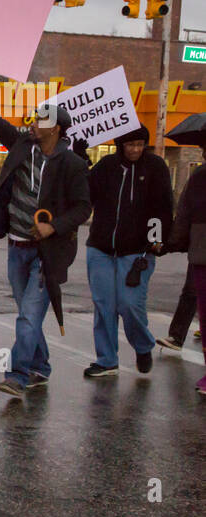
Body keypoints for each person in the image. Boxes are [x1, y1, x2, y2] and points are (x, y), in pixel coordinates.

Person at [0, 64, 91, 397]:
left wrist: (54, 226)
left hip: (47, 253)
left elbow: (83, 208)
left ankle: (18, 374)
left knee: (28, 314)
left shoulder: (73, 165)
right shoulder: (22, 145)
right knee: (27, 312)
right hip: (16, 245)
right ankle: (41, 366)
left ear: (56, 128)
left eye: (41, 119)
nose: (34, 123)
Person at [83, 124, 174, 378]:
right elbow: (83, 197)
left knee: (129, 304)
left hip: (137, 251)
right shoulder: (105, 167)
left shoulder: (155, 167)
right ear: (119, 145)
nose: (135, 149)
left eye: (139, 144)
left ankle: (143, 345)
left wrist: (156, 242)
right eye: (130, 145)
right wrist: (81, 164)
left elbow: (163, 208)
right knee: (104, 305)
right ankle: (106, 359)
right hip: (100, 248)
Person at [164, 163, 206, 395]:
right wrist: (177, 240)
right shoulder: (200, 176)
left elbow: (184, 210)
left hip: (201, 247)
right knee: (198, 300)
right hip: (202, 248)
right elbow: (186, 209)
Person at [155, 271, 200, 352]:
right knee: (191, 290)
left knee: (192, 290)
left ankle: (177, 337)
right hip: (198, 259)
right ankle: (176, 337)